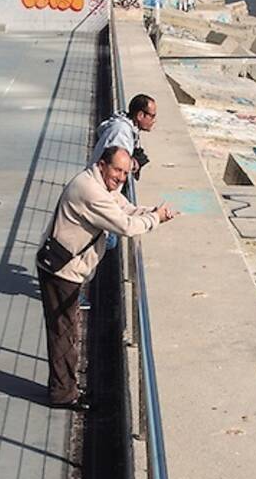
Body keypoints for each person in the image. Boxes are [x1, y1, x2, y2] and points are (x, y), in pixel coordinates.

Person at [36, 147, 176, 408]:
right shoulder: (90, 190)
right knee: (64, 334)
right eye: (117, 170)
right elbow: (124, 226)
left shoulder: (103, 186)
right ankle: (63, 395)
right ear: (102, 165)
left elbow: (126, 209)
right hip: (60, 271)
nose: (122, 177)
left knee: (67, 330)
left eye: (125, 172)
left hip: (68, 268)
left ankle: (67, 387)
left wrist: (153, 212)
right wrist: (154, 219)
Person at [92, 93, 157, 176]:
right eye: (152, 116)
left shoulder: (127, 128)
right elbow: (116, 163)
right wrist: (134, 164)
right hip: (98, 184)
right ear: (140, 115)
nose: (154, 120)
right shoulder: (121, 132)